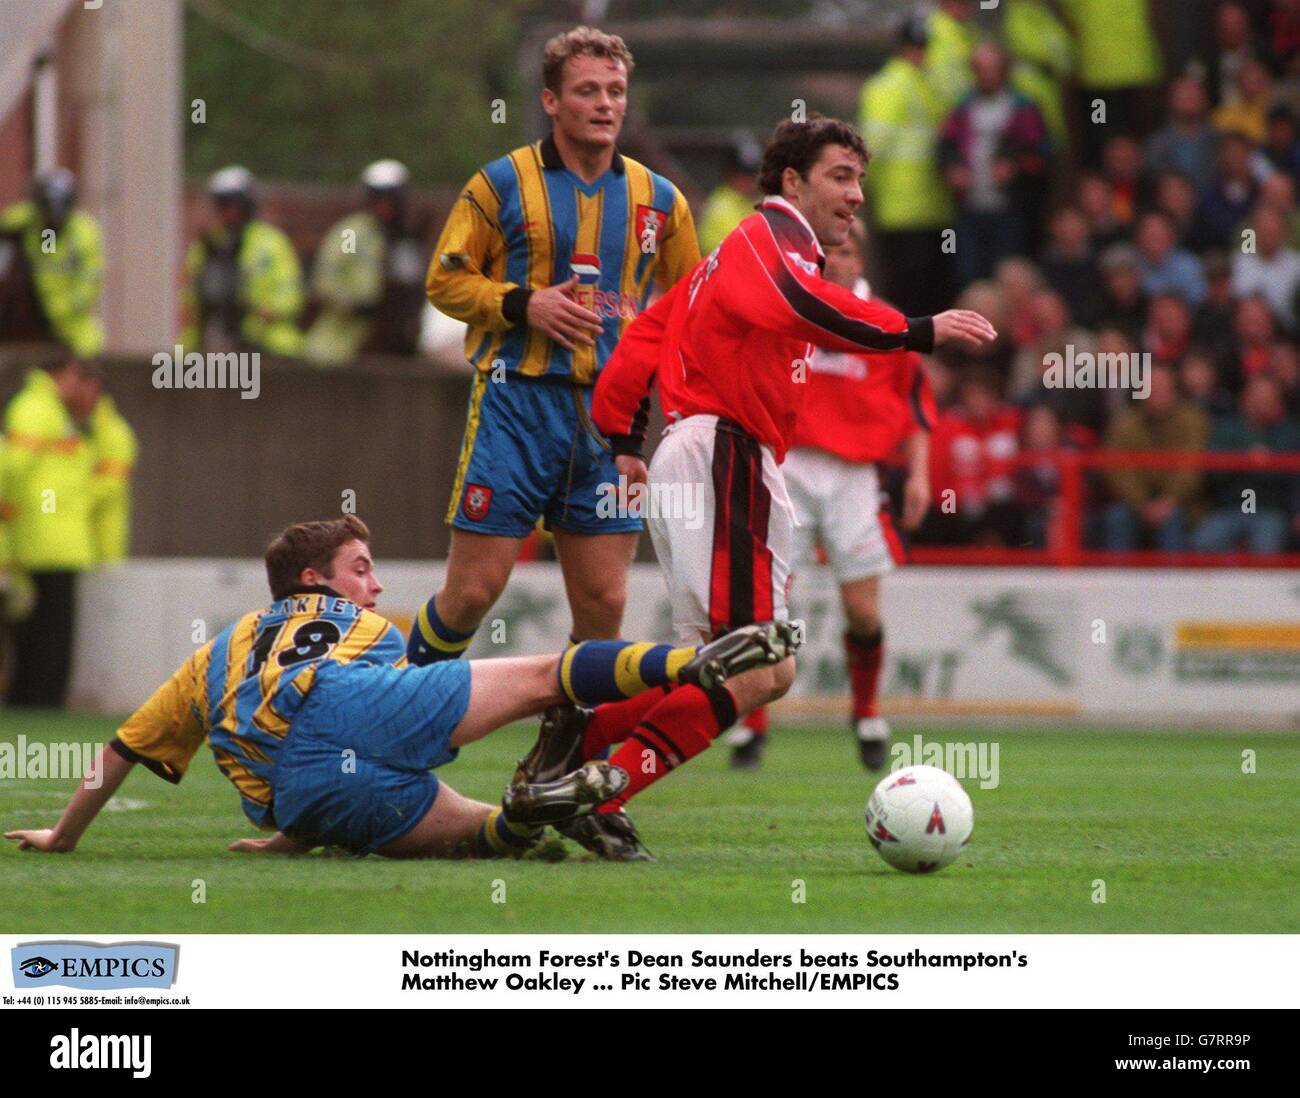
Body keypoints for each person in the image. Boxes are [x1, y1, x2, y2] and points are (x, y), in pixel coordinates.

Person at [558, 116, 994, 859]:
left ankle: (567, 758)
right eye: (840, 177)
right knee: (762, 664)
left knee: (733, 667)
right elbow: (799, 305)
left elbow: (643, 339)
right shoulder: (771, 242)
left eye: (860, 179)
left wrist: (623, 437)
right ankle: (593, 788)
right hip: (723, 452)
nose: (856, 195)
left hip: (714, 454)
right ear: (791, 182)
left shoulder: (726, 263)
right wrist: (915, 328)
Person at [4, 516, 794, 859]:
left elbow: (116, 755)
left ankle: (529, 811)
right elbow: (345, 715)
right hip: (352, 699)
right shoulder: (357, 627)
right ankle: (687, 664)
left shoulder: (212, 656)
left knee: (493, 836)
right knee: (546, 675)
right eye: (360, 570)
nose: (375, 587)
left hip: (304, 797)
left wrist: (63, 836)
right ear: (314, 583)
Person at [408, 25, 700, 670]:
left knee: (603, 602)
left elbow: (688, 312)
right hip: (515, 406)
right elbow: (444, 279)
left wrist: (658, 423)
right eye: (587, 90)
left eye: (616, 91)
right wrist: (523, 303)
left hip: (610, 419)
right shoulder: (499, 184)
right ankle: (405, 716)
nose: (605, 103)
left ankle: (563, 751)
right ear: (550, 101)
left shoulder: (662, 202)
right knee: (473, 591)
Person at [729, 221, 937, 771]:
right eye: (826, 254)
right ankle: (753, 723)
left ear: (860, 260)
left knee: (862, 609)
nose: (833, 262)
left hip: (855, 476)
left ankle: (866, 712)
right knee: (772, 601)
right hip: (789, 466)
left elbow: (915, 411)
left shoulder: (888, 325)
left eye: (842, 253)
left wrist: (918, 475)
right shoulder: (793, 312)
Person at [1, 360, 133, 707]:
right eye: (77, 379)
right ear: (58, 376)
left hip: (55, 535)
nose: (83, 389)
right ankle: (38, 701)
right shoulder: (39, 409)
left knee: (43, 625)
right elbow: (14, 467)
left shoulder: (66, 416)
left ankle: (33, 699)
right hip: (47, 535)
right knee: (48, 628)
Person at [859, 12, 957, 316]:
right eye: (916, 47)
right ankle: (908, 358)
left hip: (928, 206)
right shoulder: (891, 86)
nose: (920, 54)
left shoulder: (926, 86)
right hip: (904, 208)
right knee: (912, 293)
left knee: (924, 292)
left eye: (923, 46)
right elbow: (871, 148)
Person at [938, 40, 1050, 287]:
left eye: (992, 68)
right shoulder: (962, 107)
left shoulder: (1022, 108)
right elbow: (945, 146)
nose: (987, 75)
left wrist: (1016, 168)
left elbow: (1041, 155)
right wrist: (952, 168)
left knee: (1009, 277)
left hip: (1010, 210)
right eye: (981, 69)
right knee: (968, 277)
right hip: (970, 209)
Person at [304, 160, 428, 365]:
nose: (385, 206)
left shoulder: (405, 239)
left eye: (391, 200)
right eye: (379, 199)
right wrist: (353, 304)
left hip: (393, 336)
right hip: (345, 334)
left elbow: (412, 282)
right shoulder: (353, 234)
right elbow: (327, 279)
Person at [181, 166, 304, 357]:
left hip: (267, 342)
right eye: (224, 204)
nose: (230, 211)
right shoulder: (206, 245)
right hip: (212, 338)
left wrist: (262, 312)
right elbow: (192, 298)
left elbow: (289, 295)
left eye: (235, 204)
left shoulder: (271, 242)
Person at [1102, 364, 1208, 552]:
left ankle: (1175, 579)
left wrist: (1170, 501)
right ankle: (1117, 580)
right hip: (1135, 504)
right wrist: (1142, 504)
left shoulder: (1192, 421)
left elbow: (1191, 467)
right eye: (1150, 388)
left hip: (1179, 503)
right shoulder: (1124, 424)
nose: (1156, 394)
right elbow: (1119, 470)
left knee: (1173, 520)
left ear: (1174, 390)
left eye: (1162, 389)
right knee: (1117, 517)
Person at [0, 171, 104, 358]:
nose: (51, 224)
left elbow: (90, 282)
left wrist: (62, 308)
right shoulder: (26, 220)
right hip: (35, 307)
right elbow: (8, 222)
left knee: (89, 350)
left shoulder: (84, 233)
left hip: (67, 320)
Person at [1191, 375, 1299, 554]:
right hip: (1230, 508)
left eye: (1268, 398)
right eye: (1258, 397)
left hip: (1269, 510)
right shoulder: (1226, 430)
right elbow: (1214, 473)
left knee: (1265, 546)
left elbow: (1294, 478)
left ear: (1278, 402)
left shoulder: (1289, 434)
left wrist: (1267, 464)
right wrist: (1245, 459)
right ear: (1245, 398)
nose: (1262, 403)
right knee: (1203, 542)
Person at [697, 132, 762, 254]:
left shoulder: (759, 202)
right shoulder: (719, 209)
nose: (752, 180)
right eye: (744, 174)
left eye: (754, 173)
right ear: (729, 173)